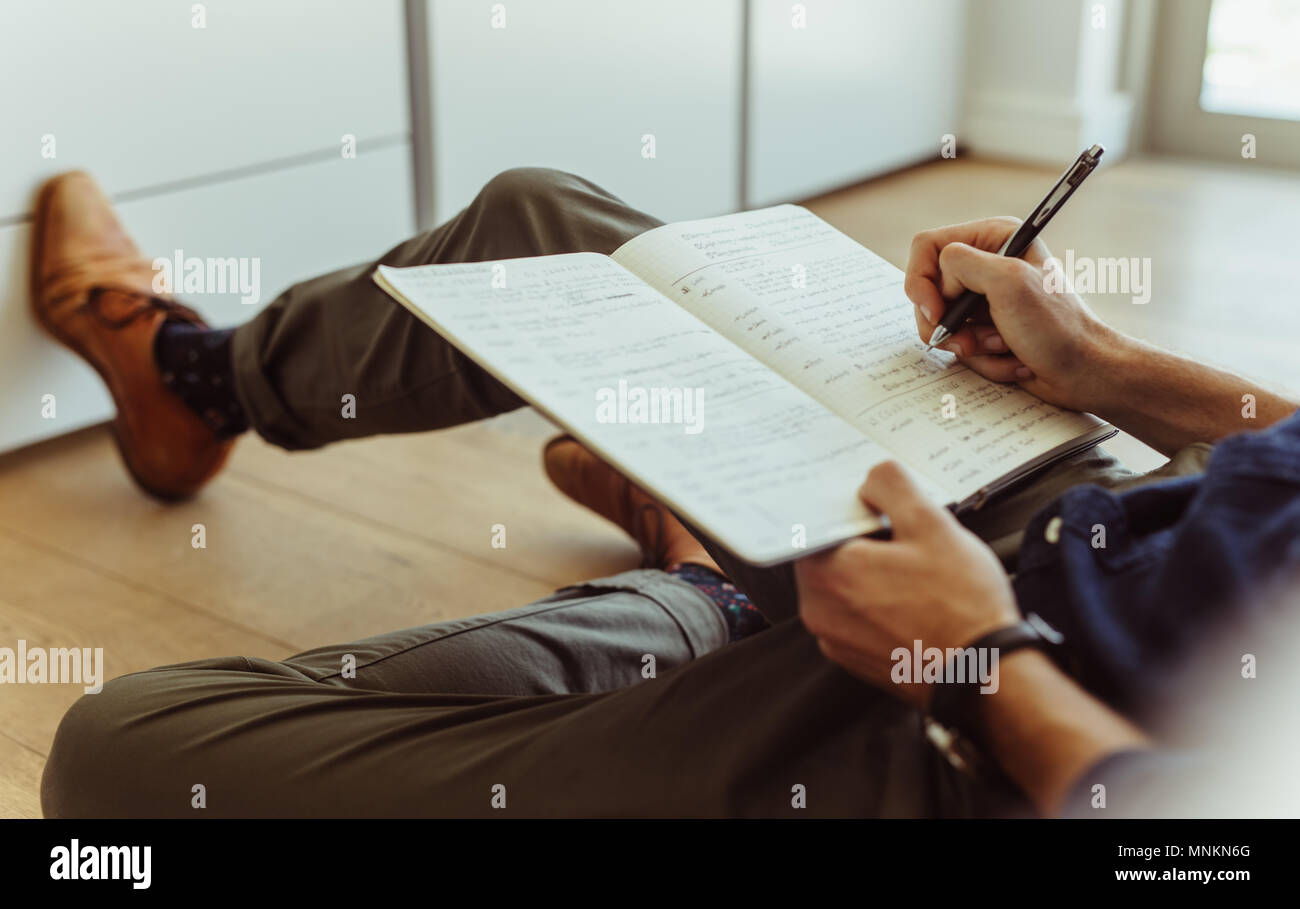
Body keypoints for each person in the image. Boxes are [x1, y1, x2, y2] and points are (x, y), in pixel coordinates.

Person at [34, 167, 1299, 818]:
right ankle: (196, 387)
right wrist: (1100, 367)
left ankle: (712, 597)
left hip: (965, 742)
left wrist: (971, 657)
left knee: (119, 758)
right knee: (545, 220)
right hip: (1101, 521)